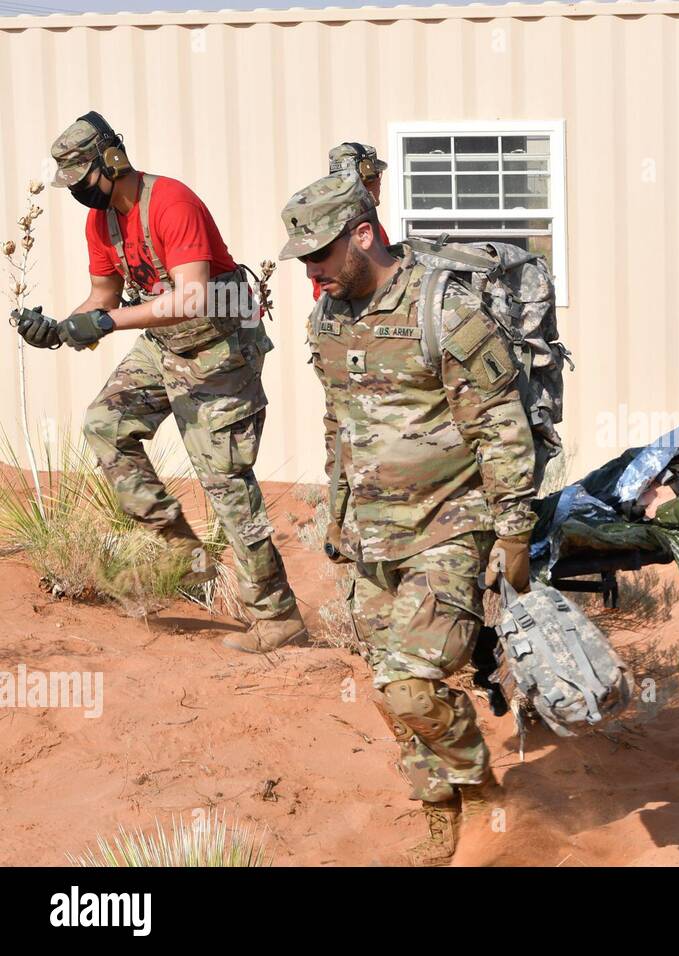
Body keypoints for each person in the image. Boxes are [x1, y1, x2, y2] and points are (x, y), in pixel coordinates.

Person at [281, 171, 537, 862]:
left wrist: (513, 529)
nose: (311, 269)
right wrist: (335, 521)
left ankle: (481, 789)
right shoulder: (326, 319)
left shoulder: (444, 311)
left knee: (412, 687)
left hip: (447, 527)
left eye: (321, 254)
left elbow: (502, 426)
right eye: (302, 257)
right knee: (388, 697)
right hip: (367, 536)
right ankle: (438, 805)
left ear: (364, 234)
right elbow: (340, 423)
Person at [13, 111, 305, 651]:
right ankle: (182, 551)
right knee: (105, 425)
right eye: (70, 183)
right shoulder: (99, 223)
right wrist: (57, 329)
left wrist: (104, 323)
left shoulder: (172, 202)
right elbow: (102, 299)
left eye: (82, 177)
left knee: (225, 485)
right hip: (167, 342)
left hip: (222, 348)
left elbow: (192, 296)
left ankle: (277, 616)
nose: (78, 191)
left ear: (111, 160)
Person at [312, 142, 390, 300]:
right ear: (366, 177)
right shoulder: (365, 228)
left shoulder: (320, 224)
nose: (380, 181)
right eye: (378, 174)